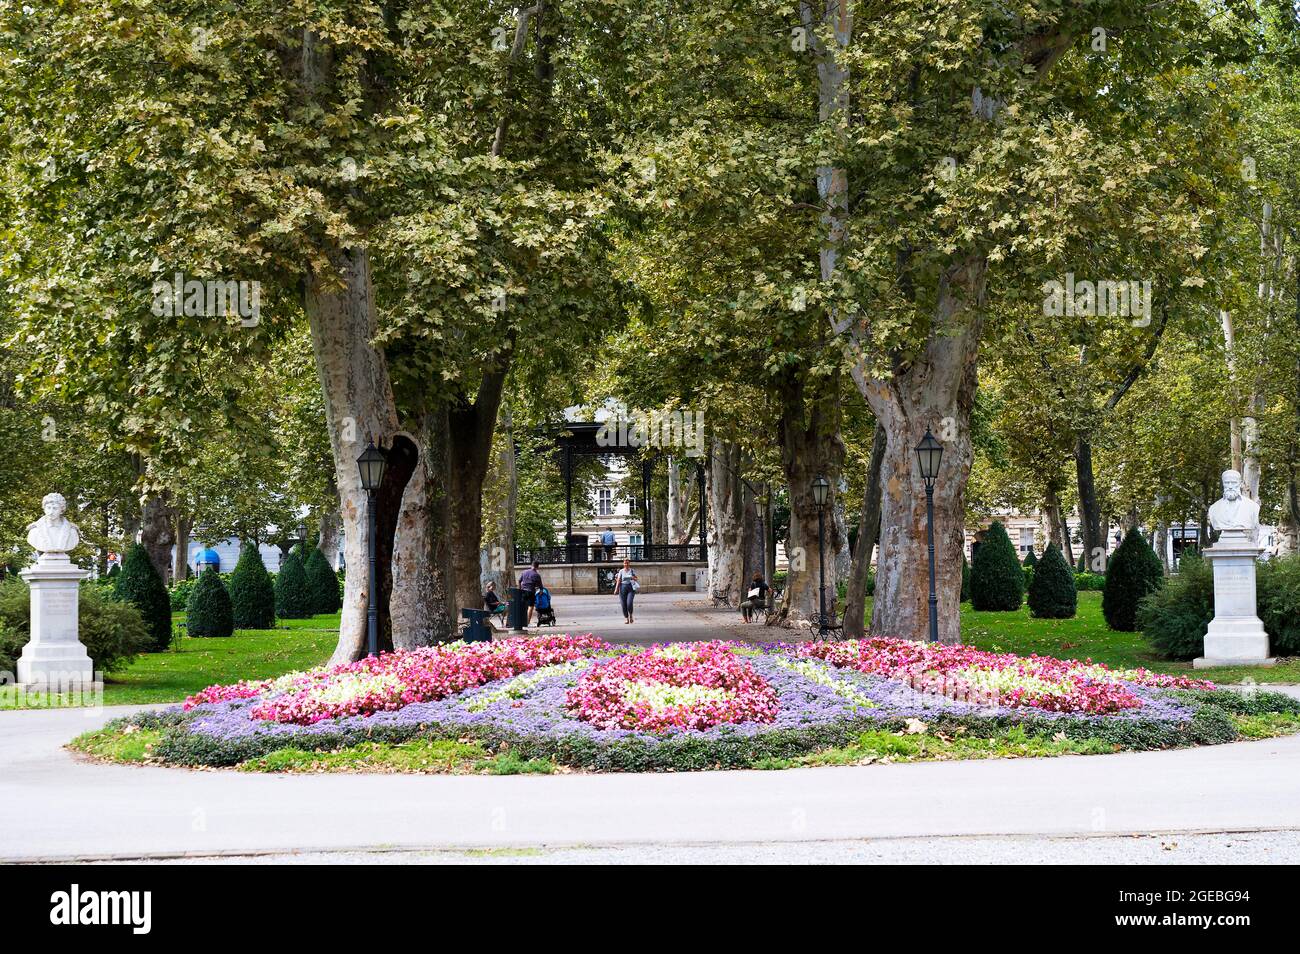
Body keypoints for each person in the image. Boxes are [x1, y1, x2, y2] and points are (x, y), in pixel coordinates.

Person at [519, 561, 543, 626]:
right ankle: (527, 622)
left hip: (523, 591)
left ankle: (521, 621)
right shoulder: (536, 575)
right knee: (530, 607)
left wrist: (520, 588)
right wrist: (541, 591)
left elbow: (519, 580)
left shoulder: (524, 572)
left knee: (523, 607)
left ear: (531, 565)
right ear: (537, 567)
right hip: (531, 592)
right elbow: (540, 586)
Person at [614, 558, 638, 624]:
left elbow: (636, 578)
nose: (626, 564)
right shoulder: (621, 571)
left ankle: (630, 615)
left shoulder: (632, 570)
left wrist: (632, 578)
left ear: (629, 563)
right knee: (623, 604)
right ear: (623, 564)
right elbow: (618, 580)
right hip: (622, 588)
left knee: (629, 603)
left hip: (630, 588)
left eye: (627, 563)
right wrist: (616, 589)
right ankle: (627, 618)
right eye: (625, 563)